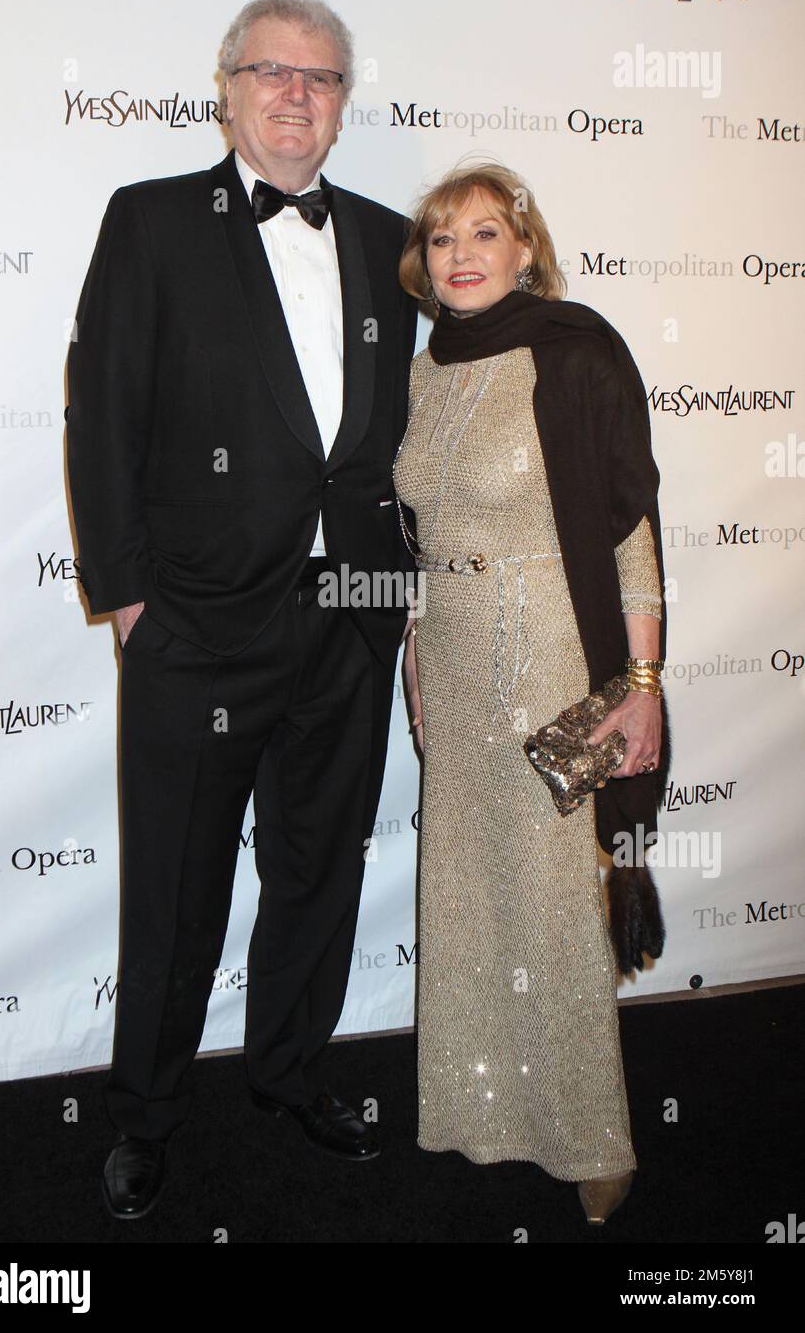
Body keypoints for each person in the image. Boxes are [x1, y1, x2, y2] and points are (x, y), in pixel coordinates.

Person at [65, 0, 418, 1219]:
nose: (293, 95)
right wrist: (125, 599)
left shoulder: (385, 240)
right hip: (199, 624)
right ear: (225, 87)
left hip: (351, 610)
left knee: (318, 867)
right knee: (175, 882)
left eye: (319, 78)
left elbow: (394, 442)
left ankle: (289, 1071)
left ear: (341, 101)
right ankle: (146, 1113)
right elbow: (102, 413)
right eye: (269, 71)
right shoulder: (155, 221)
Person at [394, 161, 668, 1225]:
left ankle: (592, 1138)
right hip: (452, 657)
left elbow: (625, 522)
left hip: (551, 651)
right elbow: (417, 536)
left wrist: (638, 683)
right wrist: (416, 653)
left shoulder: (574, 350)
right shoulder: (424, 369)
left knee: (553, 902)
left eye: (482, 233)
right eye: (441, 236)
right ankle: (478, 1108)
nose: (460, 253)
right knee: (464, 895)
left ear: (524, 250)